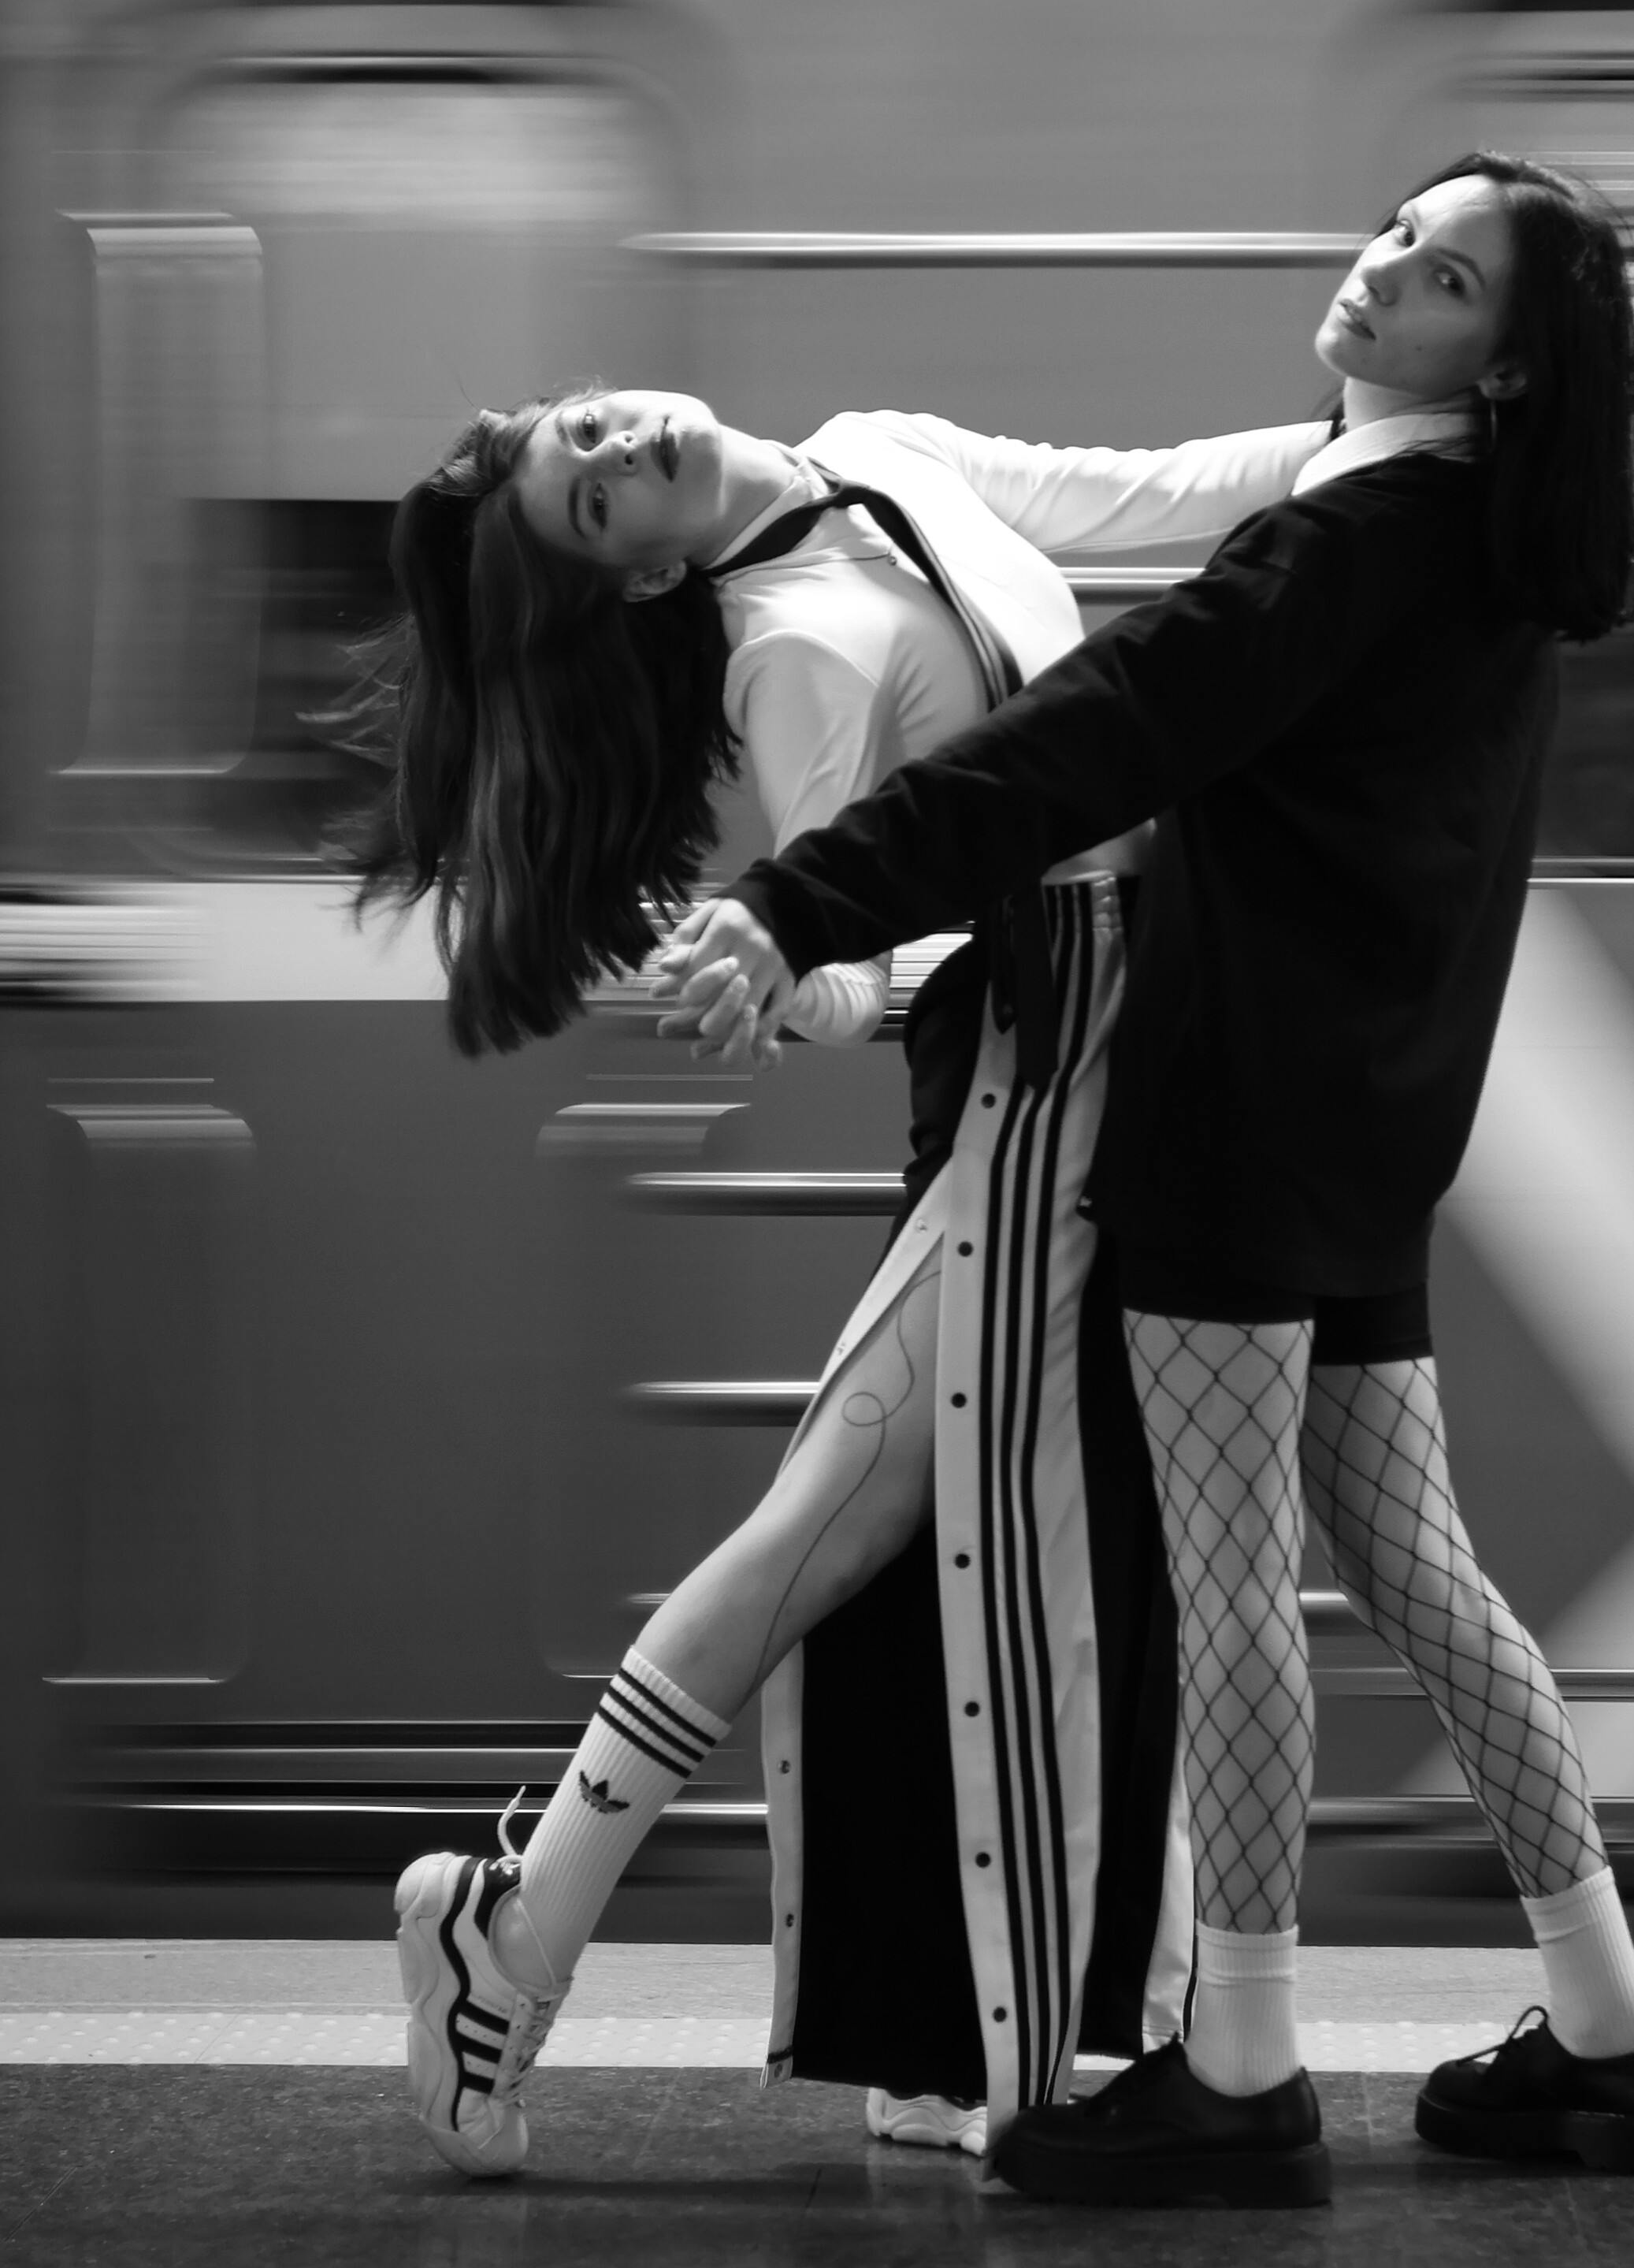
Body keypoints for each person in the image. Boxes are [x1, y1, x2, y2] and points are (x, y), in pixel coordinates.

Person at [652, 152, 1634, 2209]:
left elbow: (1097, 731)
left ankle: (1238, 2060)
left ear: (1506, 359)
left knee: (1231, 1583)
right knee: (1416, 1569)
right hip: (1371, 1112)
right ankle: (1609, 2033)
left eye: (1447, 273)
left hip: (1236, 1099)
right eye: (1400, 233)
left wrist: (797, 900)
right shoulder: (1452, 514)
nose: (1384, 270)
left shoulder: (1363, 531)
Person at [347, 385, 1331, 2176]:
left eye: (580, 435)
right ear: (637, 583)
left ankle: (539, 1932)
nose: (607, 454)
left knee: (846, 1530)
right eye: (583, 503)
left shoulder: (878, 447)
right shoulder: (786, 648)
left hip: (1099, 1067)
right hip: (1026, 1081)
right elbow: (871, 930)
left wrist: (1368, 445)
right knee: (851, 1534)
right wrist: (779, 969)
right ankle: (529, 1939)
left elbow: (1135, 488)